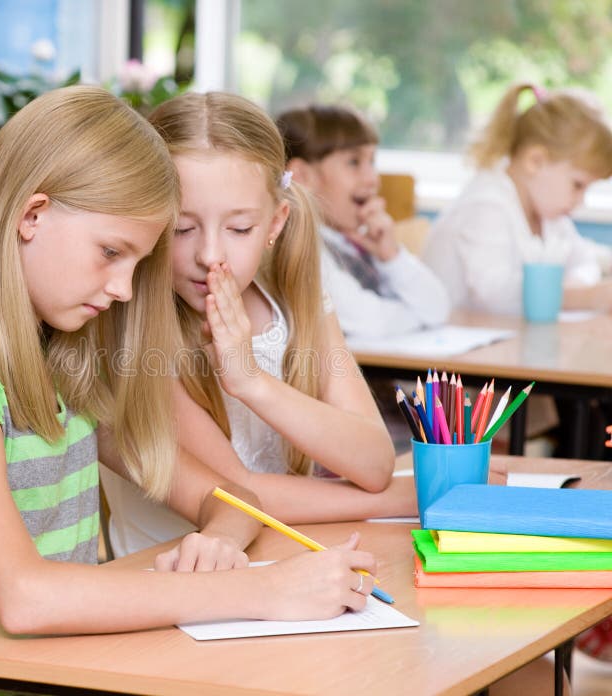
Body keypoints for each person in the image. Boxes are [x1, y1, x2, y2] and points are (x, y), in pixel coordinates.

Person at [0, 86, 379, 696]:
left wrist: (216, 541)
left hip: (70, 678)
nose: (124, 290)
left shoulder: (64, 373)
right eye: (111, 253)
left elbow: (233, 497)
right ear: (31, 216)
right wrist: (261, 590)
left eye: (135, 265)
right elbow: (24, 599)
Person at [100, 91, 417, 560]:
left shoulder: (297, 301)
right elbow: (239, 494)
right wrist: (400, 499)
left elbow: (373, 462)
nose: (210, 255)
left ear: (274, 223)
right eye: (181, 229)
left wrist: (252, 382)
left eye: (239, 229)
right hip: (175, 588)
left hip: (289, 562)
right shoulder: (137, 330)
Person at [423, 82, 612, 313]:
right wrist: (584, 297)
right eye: (578, 185)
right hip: (451, 340)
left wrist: (575, 287)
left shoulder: (547, 214)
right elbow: (497, 297)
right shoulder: (485, 205)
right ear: (536, 161)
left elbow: (584, 261)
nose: (580, 201)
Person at [275, 103, 450, 338]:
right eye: (354, 163)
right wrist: (415, 315)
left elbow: (437, 308)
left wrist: (391, 256)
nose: (372, 179)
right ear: (302, 176)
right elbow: (368, 321)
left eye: (372, 162)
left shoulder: (354, 241)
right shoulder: (298, 245)